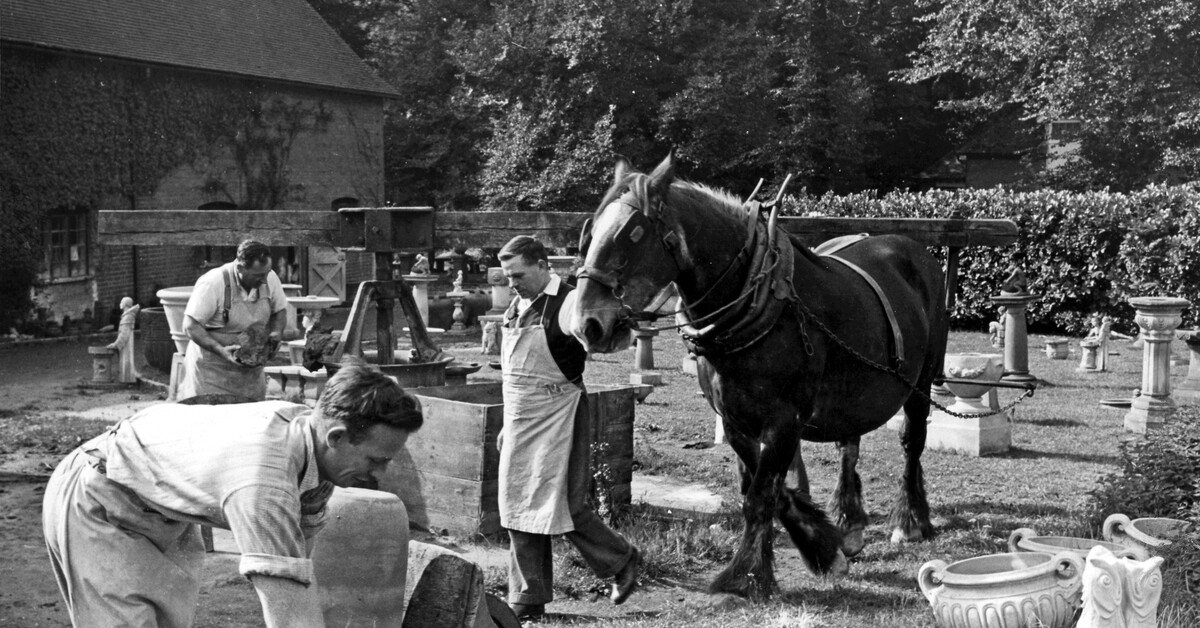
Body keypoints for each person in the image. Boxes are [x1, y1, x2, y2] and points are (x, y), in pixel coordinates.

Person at [43, 364, 423, 627]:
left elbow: (298, 569)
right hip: (100, 495)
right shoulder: (263, 479)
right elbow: (286, 604)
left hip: (161, 506)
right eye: (375, 461)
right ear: (336, 437)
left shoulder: (313, 442)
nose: (380, 474)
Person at [496, 235, 640, 621]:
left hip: (560, 414)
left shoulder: (570, 302)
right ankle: (527, 598)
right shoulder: (517, 305)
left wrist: (611, 319)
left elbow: (606, 334)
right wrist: (508, 424)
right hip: (521, 417)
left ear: (544, 265)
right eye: (507, 276)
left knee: (567, 505)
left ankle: (622, 561)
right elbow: (514, 375)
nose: (513, 282)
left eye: (519, 274)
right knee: (516, 506)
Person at [179, 239, 288, 400]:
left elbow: (280, 311)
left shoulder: (269, 278)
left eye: (266, 273)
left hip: (250, 375)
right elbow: (191, 326)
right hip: (212, 373)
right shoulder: (212, 283)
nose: (264, 280)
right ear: (239, 268)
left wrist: (276, 333)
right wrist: (221, 351)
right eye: (258, 275)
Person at [107, 296, 140, 384]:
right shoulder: (126, 316)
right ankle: (126, 379)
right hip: (125, 344)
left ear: (125, 304)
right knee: (125, 360)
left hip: (126, 344)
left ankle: (128, 380)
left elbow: (124, 334)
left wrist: (116, 344)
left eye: (121, 302)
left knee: (126, 360)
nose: (120, 304)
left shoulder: (128, 317)